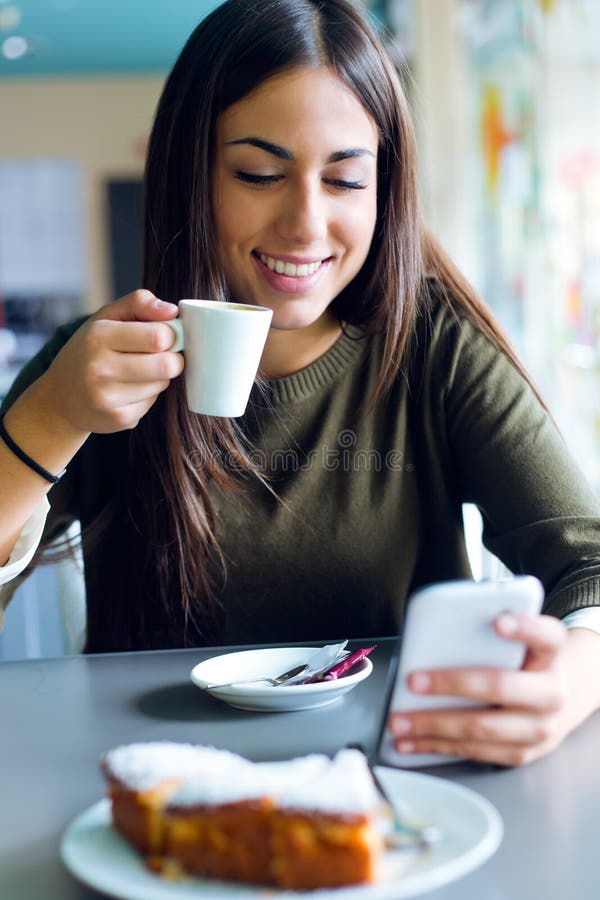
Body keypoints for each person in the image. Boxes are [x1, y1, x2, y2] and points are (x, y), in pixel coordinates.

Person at [1, 0, 599, 766]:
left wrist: (576, 678)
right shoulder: (92, 369)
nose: (307, 224)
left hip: (394, 791)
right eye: (259, 173)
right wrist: (52, 417)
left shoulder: (434, 352)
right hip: (154, 797)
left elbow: (586, 559)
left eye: (346, 179)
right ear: (191, 171)